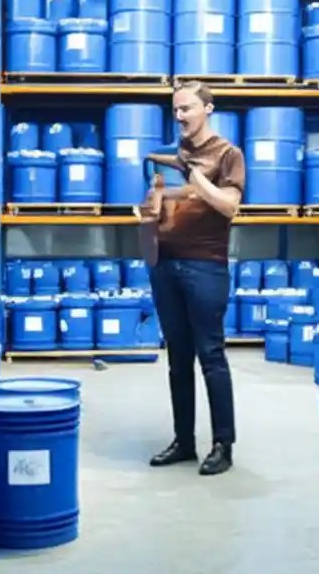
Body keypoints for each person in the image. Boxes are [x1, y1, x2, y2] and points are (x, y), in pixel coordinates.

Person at [140, 81, 244, 476]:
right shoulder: (168, 155)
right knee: (177, 360)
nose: (180, 116)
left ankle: (223, 445)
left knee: (211, 356)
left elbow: (230, 207)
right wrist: (151, 212)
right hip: (165, 266)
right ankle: (184, 440)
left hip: (205, 267)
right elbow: (158, 205)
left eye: (187, 108)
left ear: (208, 109)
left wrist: (196, 177)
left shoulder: (227, 154)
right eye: (176, 110)